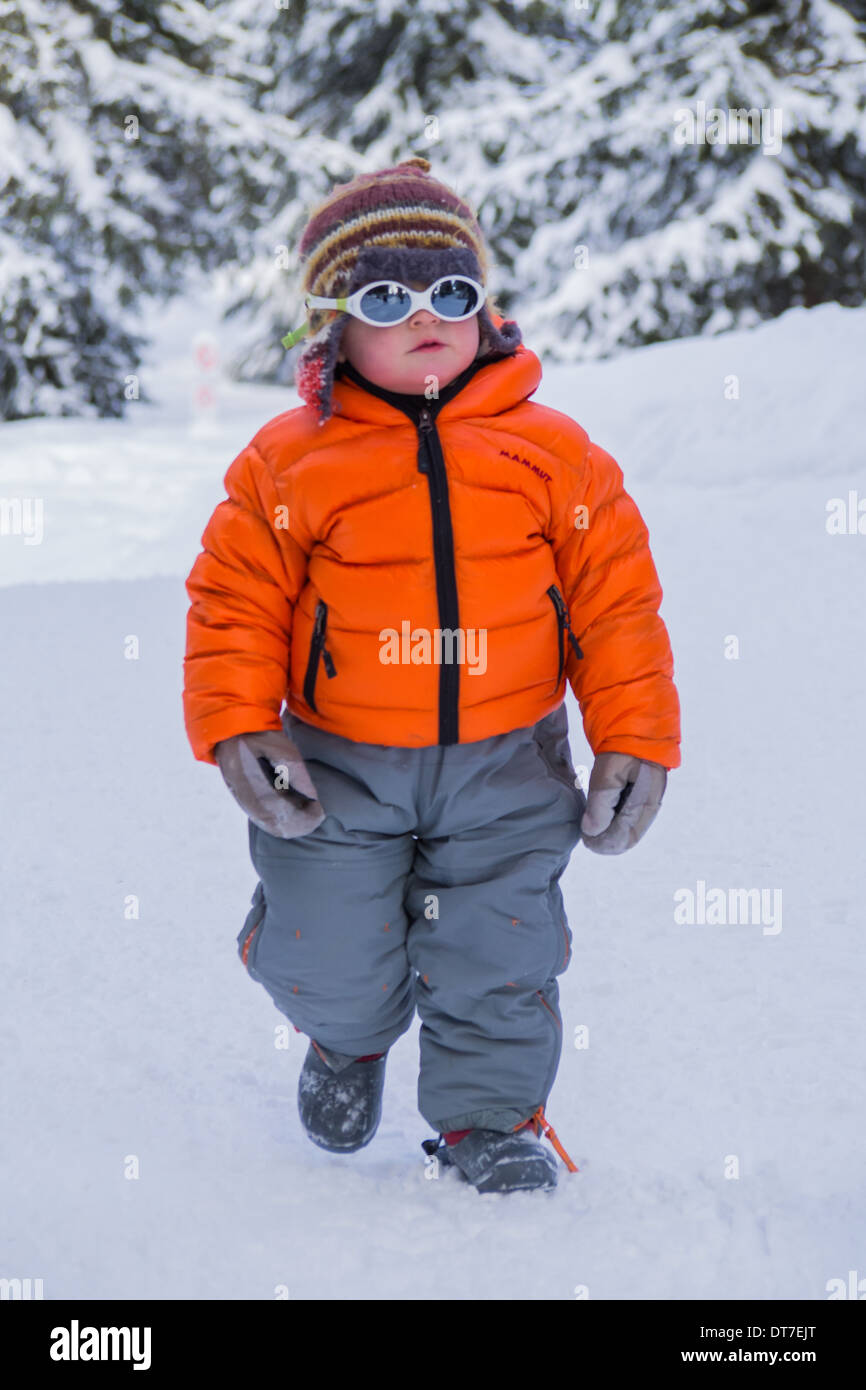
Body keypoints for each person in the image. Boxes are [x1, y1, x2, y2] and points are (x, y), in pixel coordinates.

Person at [182, 155, 681, 1195]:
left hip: (507, 762)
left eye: (451, 290)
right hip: (339, 758)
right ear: (333, 324)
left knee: (501, 948)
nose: (426, 315)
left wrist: (632, 735)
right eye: (386, 295)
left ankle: (485, 1120)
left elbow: (615, 603)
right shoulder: (288, 460)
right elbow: (234, 602)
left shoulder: (554, 455)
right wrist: (239, 725)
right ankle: (343, 1039)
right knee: (329, 948)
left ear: (485, 309)